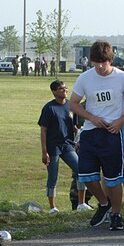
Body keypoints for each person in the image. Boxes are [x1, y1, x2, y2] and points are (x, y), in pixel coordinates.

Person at [70, 40, 124, 231]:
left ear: (110, 60)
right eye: (96, 62)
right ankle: (103, 203)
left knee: (113, 178)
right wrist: (91, 117)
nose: (99, 66)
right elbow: (73, 103)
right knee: (85, 174)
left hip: (112, 133)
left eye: (103, 62)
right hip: (91, 132)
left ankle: (116, 214)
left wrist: (122, 120)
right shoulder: (85, 78)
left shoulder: (122, 77)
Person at [39, 80, 87, 213]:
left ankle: (81, 203)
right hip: (53, 146)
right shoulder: (49, 108)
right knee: (53, 176)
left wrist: (77, 134)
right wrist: (44, 151)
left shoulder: (71, 106)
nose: (65, 90)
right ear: (54, 92)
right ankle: (52, 207)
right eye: (61, 89)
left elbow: (75, 126)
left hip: (67, 145)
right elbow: (43, 130)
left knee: (80, 170)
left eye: (65, 88)